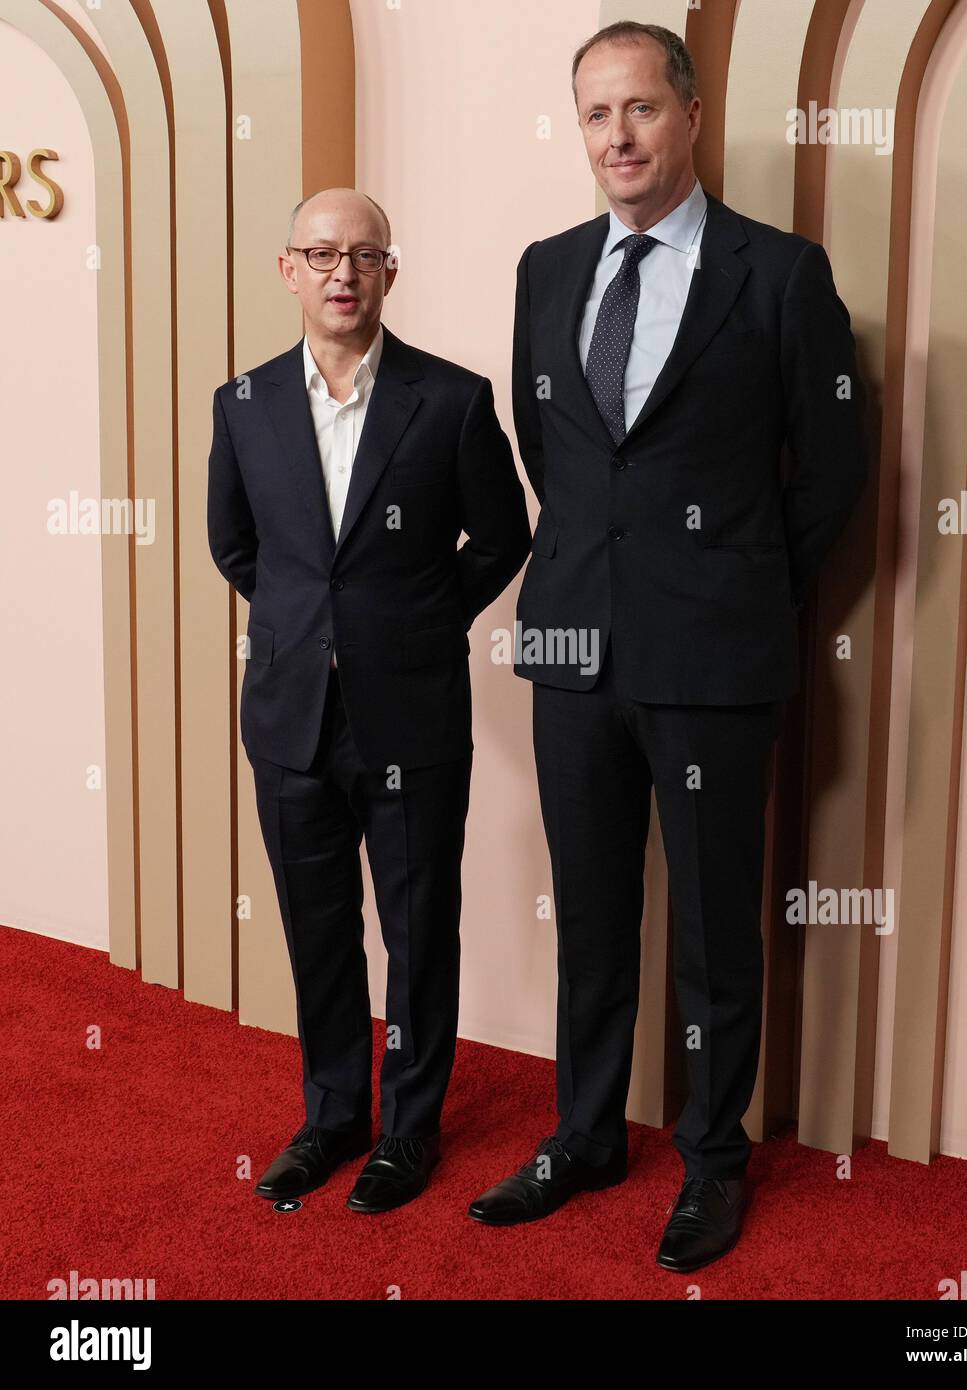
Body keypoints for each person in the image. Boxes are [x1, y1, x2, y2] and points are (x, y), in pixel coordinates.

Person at [468, 22, 868, 1272]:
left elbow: (833, 467)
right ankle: (584, 1134)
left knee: (709, 929)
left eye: (639, 110)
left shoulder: (780, 274)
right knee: (589, 916)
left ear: (689, 116)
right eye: (595, 116)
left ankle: (710, 1159)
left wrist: (733, 577)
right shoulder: (544, 268)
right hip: (573, 643)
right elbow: (564, 463)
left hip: (711, 658)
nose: (618, 137)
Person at [207, 187, 530, 1215]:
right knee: (316, 925)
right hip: (291, 715)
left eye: (363, 255)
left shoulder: (452, 399)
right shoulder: (243, 403)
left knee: (418, 924)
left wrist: (422, 620)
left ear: (390, 273)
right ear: (288, 269)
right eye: (321, 253)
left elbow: (503, 537)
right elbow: (235, 544)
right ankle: (332, 1113)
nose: (342, 272)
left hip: (412, 712)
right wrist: (316, 630)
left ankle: (408, 1130)